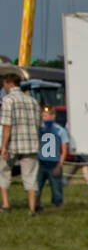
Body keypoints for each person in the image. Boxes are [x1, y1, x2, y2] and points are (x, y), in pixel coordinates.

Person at [0, 71, 42, 215]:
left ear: (9, 84)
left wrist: (3, 146)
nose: (3, 87)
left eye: (4, 84)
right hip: (31, 144)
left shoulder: (8, 100)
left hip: (13, 144)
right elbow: (39, 124)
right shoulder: (33, 101)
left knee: (3, 172)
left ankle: (5, 205)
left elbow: (7, 124)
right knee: (30, 177)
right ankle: (32, 209)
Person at [36, 105, 69, 211]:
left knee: (56, 186)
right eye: (42, 115)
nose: (43, 117)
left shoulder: (60, 130)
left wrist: (59, 165)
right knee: (37, 184)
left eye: (45, 115)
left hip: (54, 162)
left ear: (53, 116)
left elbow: (64, 150)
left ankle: (58, 204)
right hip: (41, 162)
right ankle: (36, 202)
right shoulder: (40, 130)